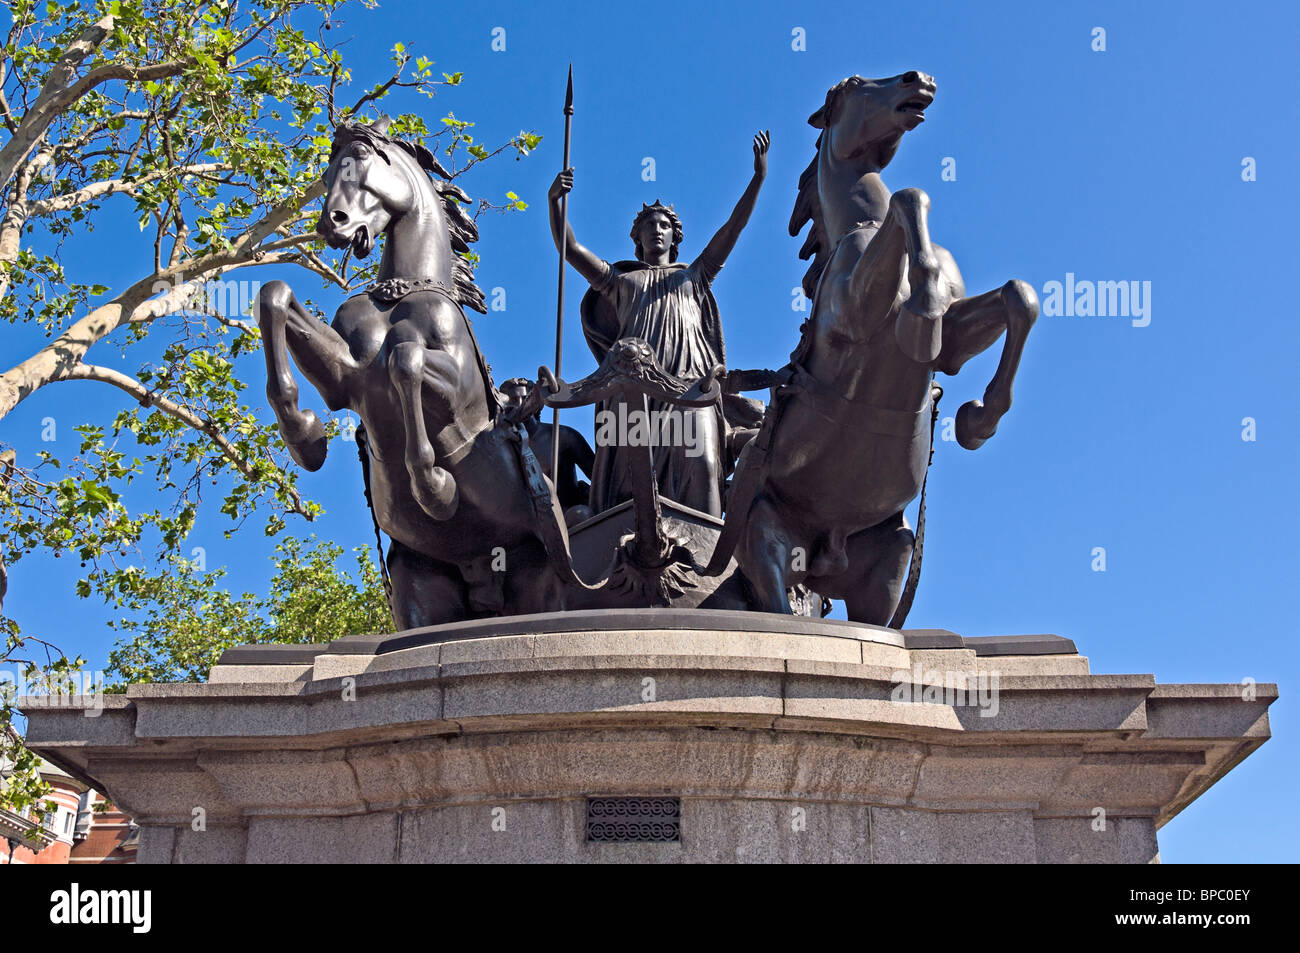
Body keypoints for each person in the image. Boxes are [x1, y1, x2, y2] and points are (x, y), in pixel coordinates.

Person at [548, 131, 769, 517]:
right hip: (631, 387)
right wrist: (555, 203)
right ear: (636, 237)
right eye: (648, 225)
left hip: (689, 388)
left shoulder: (694, 277)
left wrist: (758, 178)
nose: (656, 229)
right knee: (623, 478)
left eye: (664, 224)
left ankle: (703, 549)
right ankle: (618, 546)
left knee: (700, 462)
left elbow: (732, 229)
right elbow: (570, 249)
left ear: (675, 236)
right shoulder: (620, 280)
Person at [498, 377, 595, 526]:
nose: (519, 405)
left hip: (570, 514)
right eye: (512, 401)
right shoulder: (505, 451)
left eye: (524, 399)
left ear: (536, 404)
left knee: (580, 515)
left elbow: (598, 477)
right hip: (533, 525)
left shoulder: (563, 436)